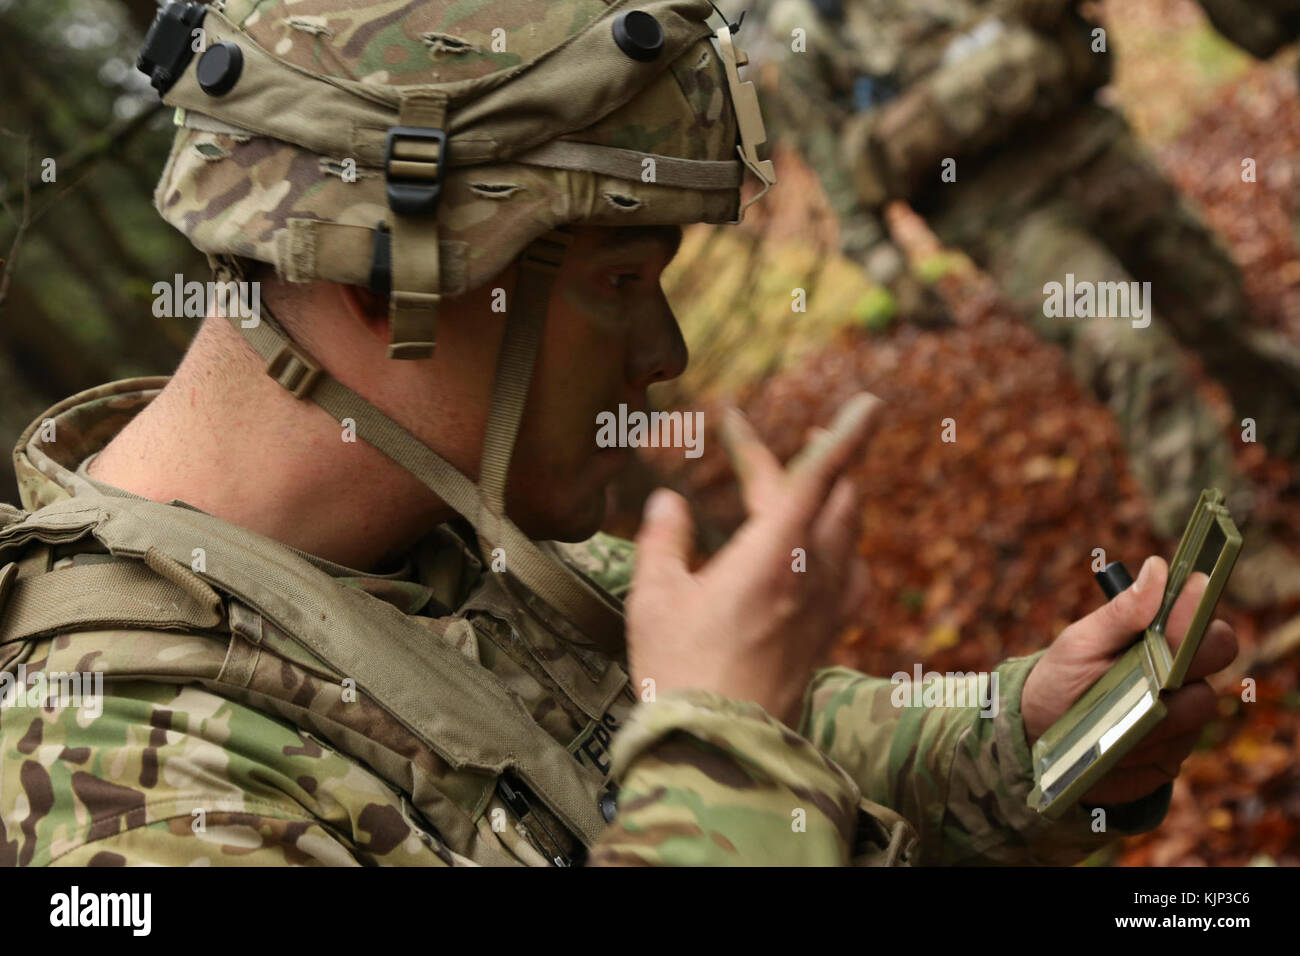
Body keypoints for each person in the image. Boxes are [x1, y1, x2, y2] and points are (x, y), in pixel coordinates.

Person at [0, 0, 1236, 867]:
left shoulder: (438, 537)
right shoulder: (120, 796)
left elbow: (731, 747)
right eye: (619, 280)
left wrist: (1040, 734)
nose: (666, 355)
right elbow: (712, 758)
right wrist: (724, 752)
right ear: (381, 279)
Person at [762, 0, 1300, 606]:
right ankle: (1230, 550)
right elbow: (839, 176)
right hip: (1005, 215)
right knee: (1128, 348)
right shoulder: (810, 31)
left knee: (1222, 311)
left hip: (1094, 149)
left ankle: (1289, 431)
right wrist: (893, 271)